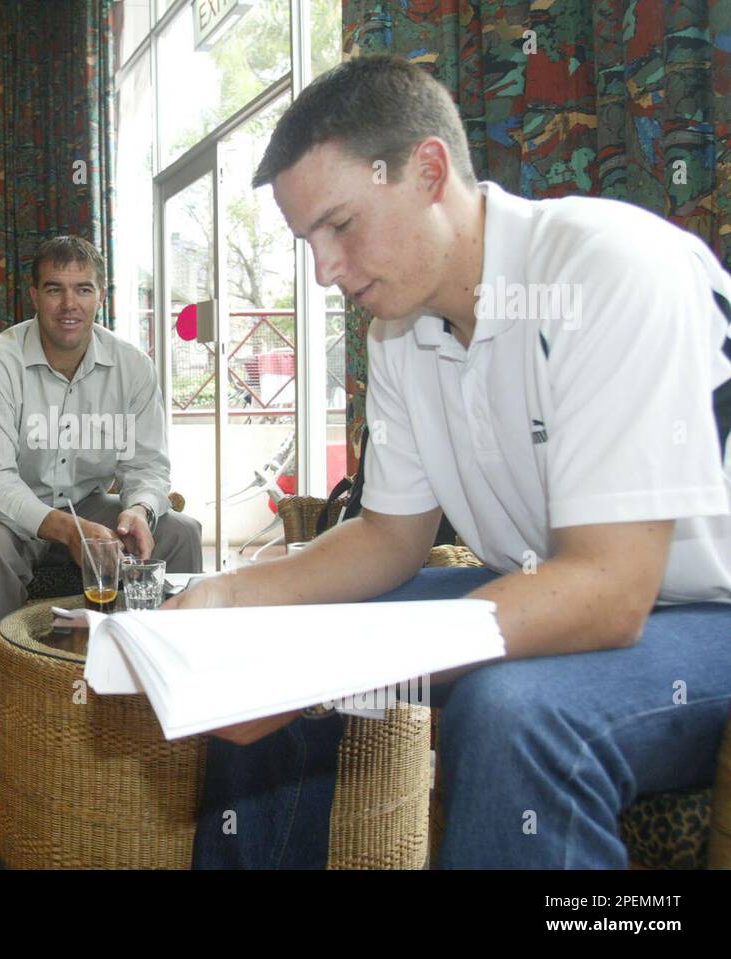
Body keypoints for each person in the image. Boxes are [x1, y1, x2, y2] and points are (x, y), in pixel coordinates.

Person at [166, 55, 731, 868]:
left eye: (341, 225)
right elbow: (389, 538)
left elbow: (611, 589)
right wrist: (224, 596)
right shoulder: (397, 330)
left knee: (511, 709)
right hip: (566, 582)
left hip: (701, 609)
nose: (324, 271)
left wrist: (329, 666)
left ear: (429, 170)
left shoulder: (608, 269)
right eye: (307, 241)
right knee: (262, 647)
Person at [0, 235, 204, 808]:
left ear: (100, 295)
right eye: (56, 288)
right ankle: (3, 731)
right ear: (33, 295)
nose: (70, 304)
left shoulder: (132, 367)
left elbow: (148, 466)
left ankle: (164, 704)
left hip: (89, 502)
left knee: (180, 533)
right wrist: (64, 530)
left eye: (83, 289)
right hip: (4, 509)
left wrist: (138, 509)